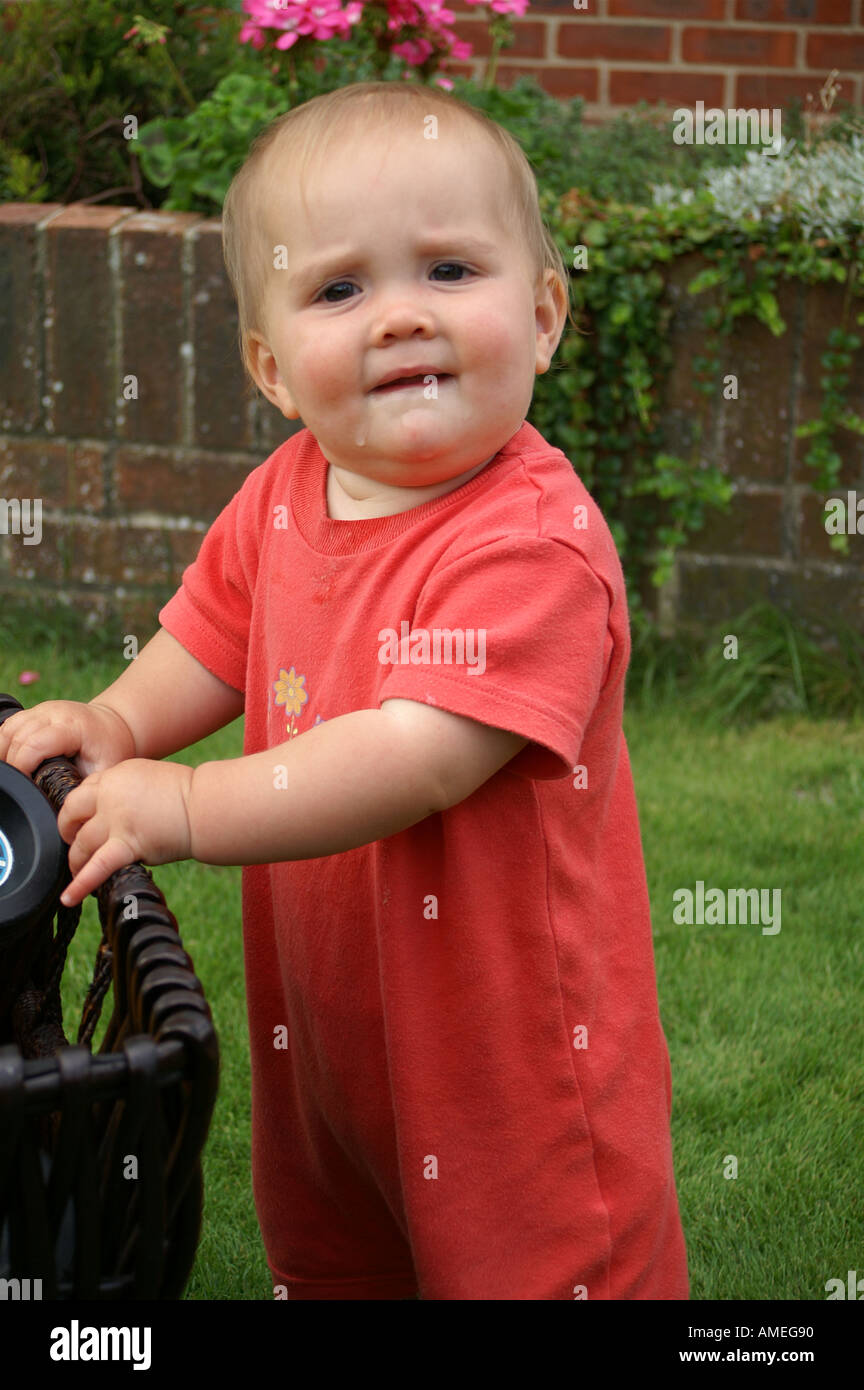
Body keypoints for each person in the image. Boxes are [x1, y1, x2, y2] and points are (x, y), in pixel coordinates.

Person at [0, 81, 689, 1300]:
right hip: (330, 1037)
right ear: (273, 367)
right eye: (340, 290)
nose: (401, 319)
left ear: (542, 317)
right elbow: (213, 634)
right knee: (340, 1257)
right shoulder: (286, 490)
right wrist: (118, 720)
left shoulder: (531, 544)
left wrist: (194, 807)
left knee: (523, 1269)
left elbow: (417, 752)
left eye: (450, 271)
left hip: (508, 1065)